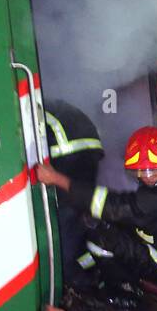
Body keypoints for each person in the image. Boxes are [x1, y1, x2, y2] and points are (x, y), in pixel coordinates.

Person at [36, 105, 157, 293]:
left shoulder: (156, 200)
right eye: (138, 170)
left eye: (152, 170)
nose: (145, 176)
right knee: (115, 225)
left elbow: (109, 206)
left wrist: (56, 179)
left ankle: (119, 290)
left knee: (101, 237)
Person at [37, 97, 105, 283]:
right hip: (89, 150)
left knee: (66, 223)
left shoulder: (32, 107)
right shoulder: (53, 104)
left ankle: (78, 283)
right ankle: (92, 272)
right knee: (79, 212)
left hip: (67, 155)